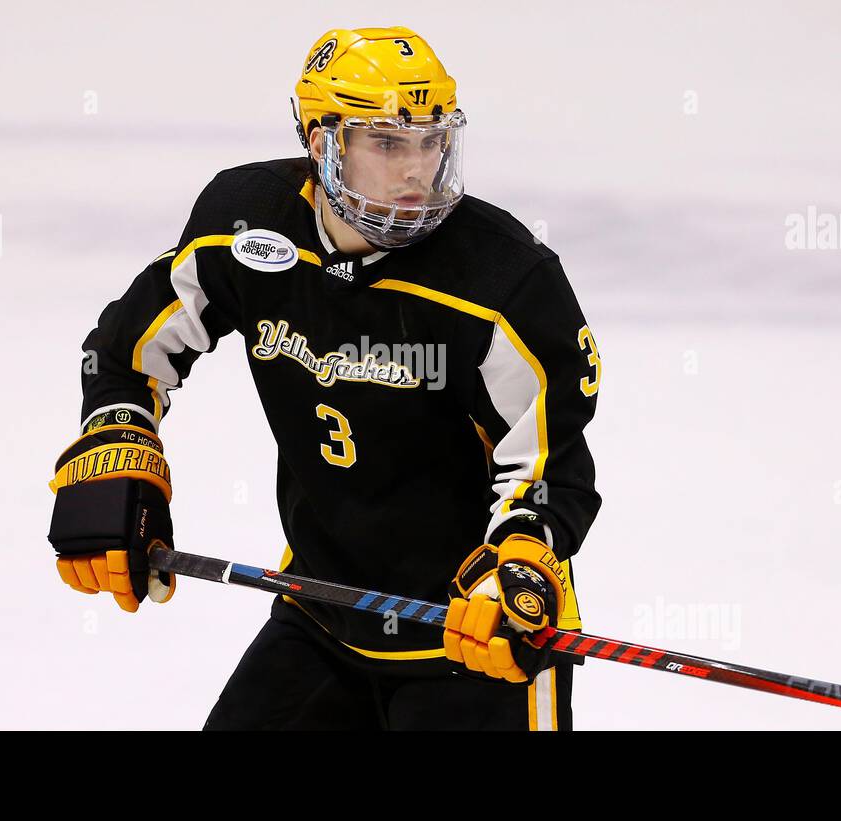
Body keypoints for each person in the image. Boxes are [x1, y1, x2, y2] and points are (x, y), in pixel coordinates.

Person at [47, 25, 603, 730]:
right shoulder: (246, 227)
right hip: (321, 607)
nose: (417, 171)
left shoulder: (505, 282)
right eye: (388, 144)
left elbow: (553, 465)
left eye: (431, 142)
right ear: (322, 143)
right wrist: (116, 448)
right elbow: (128, 349)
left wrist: (520, 562)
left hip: (475, 635)